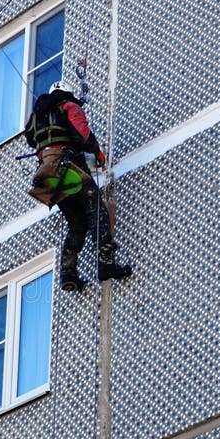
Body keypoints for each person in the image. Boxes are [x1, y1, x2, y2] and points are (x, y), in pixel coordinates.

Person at [24, 80, 132, 292]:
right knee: (96, 211)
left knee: (76, 223)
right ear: (68, 94)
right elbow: (82, 135)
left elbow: (30, 139)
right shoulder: (69, 107)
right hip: (70, 167)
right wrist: (97, 152)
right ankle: (105, 263)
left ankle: (67, 274)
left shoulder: (35, 117)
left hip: (48, 176)